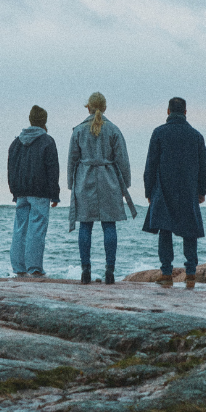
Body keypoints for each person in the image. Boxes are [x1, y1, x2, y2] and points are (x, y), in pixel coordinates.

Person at [68, 92, 136, 285]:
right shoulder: (113, 130)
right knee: (109, 225)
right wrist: (125, 183)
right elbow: (123, 160)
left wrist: (71, 185)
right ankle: (110, 271)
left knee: (85, 225)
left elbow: (72, 160)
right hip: (109, 180)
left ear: (88, 107)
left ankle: (85, 271)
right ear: (104, 108)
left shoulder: (78, 131)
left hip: (84, 180)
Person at [142, 97, 206, 285]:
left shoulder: (159, 133)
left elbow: (150, 164)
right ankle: (190, 271)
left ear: (168, 111)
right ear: (186, 112)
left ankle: (166, 271)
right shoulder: (196, 136)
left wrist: (149, 191)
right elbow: (204, 166)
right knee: (190, 230)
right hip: (188, 188)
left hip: (164, 188)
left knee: (165, 229)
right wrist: (202, 190)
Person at [8, 105, 60, 277]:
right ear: (44, 121)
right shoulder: (47, 141)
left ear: (30, 119)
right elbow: (52, 169)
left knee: (20, 228)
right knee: (37, 229)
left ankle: (19, 268)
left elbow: (11, 168)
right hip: (40, 192)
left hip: (21, 191)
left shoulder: (16, 142)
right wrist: (55, 194)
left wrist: (14, 191)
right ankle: (34, 268)